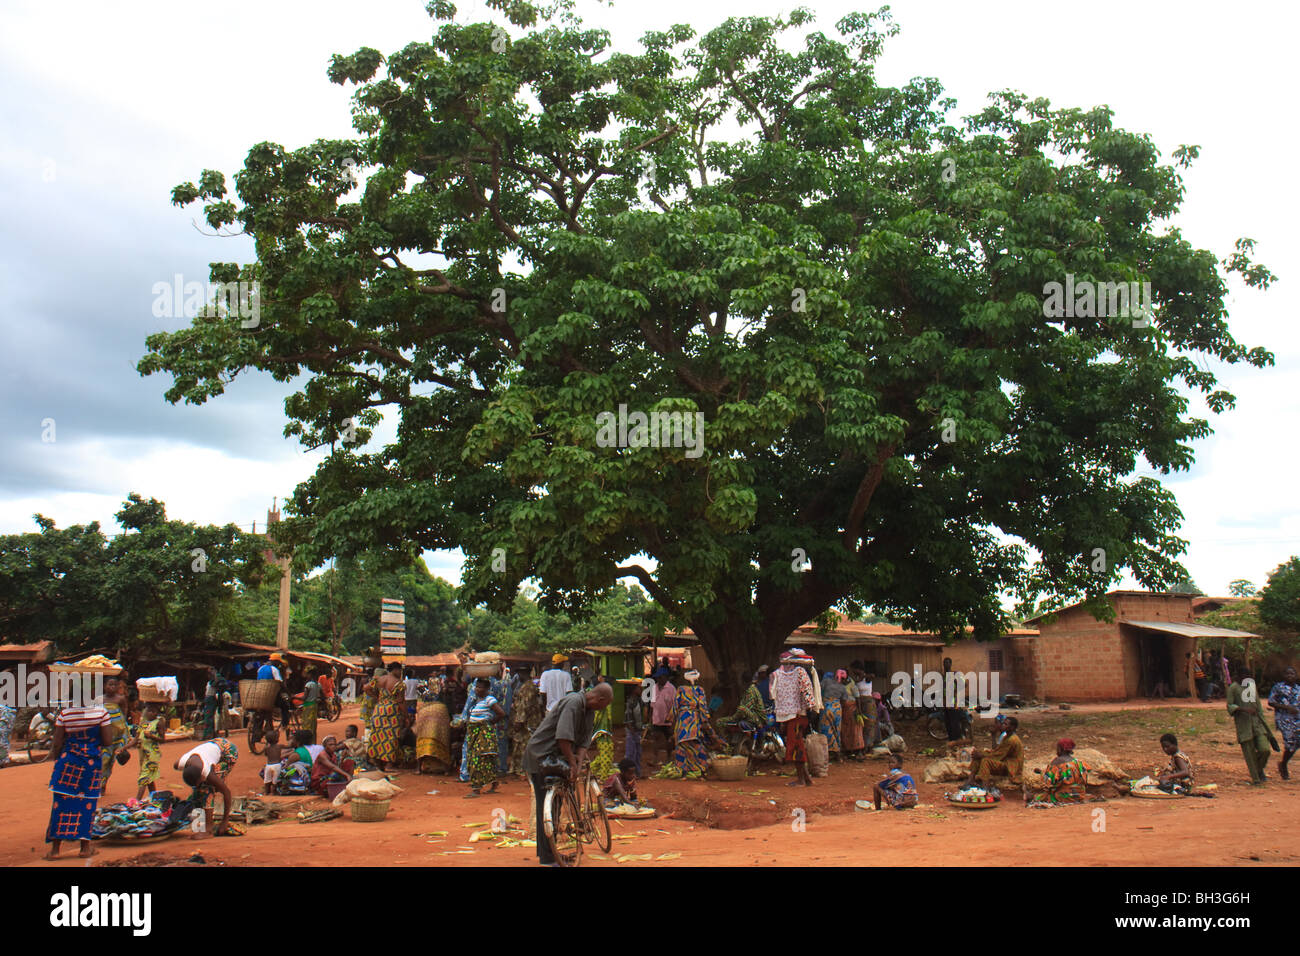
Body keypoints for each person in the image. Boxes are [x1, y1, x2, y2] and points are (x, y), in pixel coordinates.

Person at [523, 683, 613, 866]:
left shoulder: (589, 711)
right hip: (541, 756)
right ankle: (547, 858)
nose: (602, 709)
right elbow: (563, 738)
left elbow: (583, 743)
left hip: (557, 757)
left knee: (556, 806)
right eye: (603, 705)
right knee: (546, 808)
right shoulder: (573, 703)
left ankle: (550, 853)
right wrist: (572, 762)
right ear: (599, 699)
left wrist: (577, 764)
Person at [44, 700, 114, 859]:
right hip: (90, 764)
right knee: (87, 804)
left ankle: (55, 850)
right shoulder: (101, 713)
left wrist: (57, 762)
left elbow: (57, 743)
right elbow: (108, 741)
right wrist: (92, 741)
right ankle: (85, 848)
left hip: (68, 763)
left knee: (60, 804)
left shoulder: (65, 714)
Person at [770, 650, 817, 787]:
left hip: (797, 716)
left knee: (796, 748)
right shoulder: (784, 674)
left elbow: (807, 692)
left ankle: (801, 780)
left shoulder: (798, 673)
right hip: (795, 716)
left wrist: (810, 707)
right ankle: (806, 779)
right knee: (797, 745)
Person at [174, 737, 239, 836]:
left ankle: (208, 829)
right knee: (197, 790)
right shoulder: (180, 763)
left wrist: (225, 821)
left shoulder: (207, 771)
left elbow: (227, 792)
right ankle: (200, 824)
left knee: (207, 788)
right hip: (214, 744)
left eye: (199, 781)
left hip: (228, 752)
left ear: (201, 776)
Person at [1227, 672, 1277, 785]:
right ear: (1238, 677)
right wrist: (1243, 709)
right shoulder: (1233, 688)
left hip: (1257, 723)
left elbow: (1258, 706)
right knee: (1249, 753)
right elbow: (1229, 706)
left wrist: (1266, 727)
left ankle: (1259, 769)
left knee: (1265, 749)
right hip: (1243, 724)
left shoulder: (1251, 686)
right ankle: (1256, 779)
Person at [667, 670, 716, 779]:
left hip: (683, 721)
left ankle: (683, 773)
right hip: (694, 721)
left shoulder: (680, 689)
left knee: (682, 746)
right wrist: (705, 719)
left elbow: (675, 706)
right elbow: (702, 706)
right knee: (698, 746)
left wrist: (670, 719)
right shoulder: (700, 690)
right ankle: (702, 772)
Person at [465, 677, 506, 797]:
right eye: (476, 687)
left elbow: (501, 713)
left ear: (487, 689)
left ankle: (476, 789)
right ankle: (493, 783)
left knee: (477, 759)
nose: (477, 689)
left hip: (483, 733)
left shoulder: (489, 699)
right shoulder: (477, 701)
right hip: (475, 732)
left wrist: (489, 724)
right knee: (486, 759)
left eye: (480, 687)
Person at [962, 715, 1024, 790]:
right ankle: (971, 779)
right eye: (1003, 723)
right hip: (1004, 761)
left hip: (1010, 766)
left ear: (1012, 727)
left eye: (1005, 724)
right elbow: (996, 750)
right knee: (979, 755)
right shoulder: (1006, 737)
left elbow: (998, 756)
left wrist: (982, 755)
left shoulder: (1012, 740)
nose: (1002, 725)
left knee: (985, 761)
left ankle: (985, 786)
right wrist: (993, 736)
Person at [1025, 737, 1090, 807]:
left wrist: (1042, 774)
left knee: (1040, 796)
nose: (1056, 750)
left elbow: (1049, 783)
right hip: (1080, 795)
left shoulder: (1057, 762)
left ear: (1061, 749)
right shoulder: (1079, 763)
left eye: (1058, 748)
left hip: (1063, 797)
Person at [366, 662, 407, 772]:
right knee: (391, 737)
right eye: (400, 670)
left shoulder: (379, 679)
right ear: (396, 669)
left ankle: (377, 762)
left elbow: (366, 688)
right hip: (392, 712)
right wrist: (406, 716)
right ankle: (388, 764)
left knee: (377, 735)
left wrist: (376, 697)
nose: (400, 673)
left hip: (379, 710)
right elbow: (401, 701)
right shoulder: (399, 683)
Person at [508, 668, 545, 775]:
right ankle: (519, 768)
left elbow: (525, 705)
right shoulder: (528, 685)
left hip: (528, 722)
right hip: (529, 720)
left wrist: (519, 721)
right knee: (520, 744)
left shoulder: (528, 687)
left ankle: (524, 769)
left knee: (524, 745)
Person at [1267, 666, 1300, 780]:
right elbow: (1271, 702)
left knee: (1297, 743)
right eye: (1287, 674)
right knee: (1290, 742)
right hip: (1284, 719)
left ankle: (1283, 762)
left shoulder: (1298, 689)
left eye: (1292, 674)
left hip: (1297, 720)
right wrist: (1286, 707)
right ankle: (1284, 766)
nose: (1290, 676)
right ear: (1283, 676)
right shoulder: (1278, 687)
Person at [98, 676, 130, 790]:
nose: (112, 687)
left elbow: (124, 714)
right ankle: (98, 783)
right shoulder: (100, 699)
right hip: (104, 732)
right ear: (104, 686)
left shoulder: (120, 699)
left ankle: (103, 783)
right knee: (103, 758)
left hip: (118, 733)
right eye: (109, 685)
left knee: (111, 759)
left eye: (114, 685)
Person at [414, 687, 453, 774]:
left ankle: (418, 769)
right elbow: (447, 721)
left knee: (422, 747)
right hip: (439, 733)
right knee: (442, 747)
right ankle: (446, 770)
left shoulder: (423, 707)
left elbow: (418, 721)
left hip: (424, 732)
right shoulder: (443, 707)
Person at [134, 702, 164, 801]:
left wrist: (152, 736)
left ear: (157, 713)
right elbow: (135, 740)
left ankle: (137, 801)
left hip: (152, 754)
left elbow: (163, 739)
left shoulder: (159, 722)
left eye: (153, 711)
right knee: (149, 777)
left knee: (144, 776)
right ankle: (154, 797)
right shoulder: (143, 723)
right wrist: (123, 748)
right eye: (148, 710)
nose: (150, 713)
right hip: (142, 754)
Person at [819, 668, 848, 759]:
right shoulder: (843, 687)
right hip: (837, 709)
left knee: (826, 729)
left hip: (826, 707)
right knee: (836, 729)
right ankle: (837, 750)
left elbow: (819, 691)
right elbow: (844, 700)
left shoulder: (826, 681)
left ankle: (830, 750)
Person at [650, 667, 676, 767]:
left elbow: (674, 705)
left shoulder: (671, 689)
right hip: (656, 718)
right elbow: (652, 704)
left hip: (667, 719)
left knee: (669, 739)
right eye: (657, 678)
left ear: (665, 677)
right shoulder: (654, 687)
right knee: (655, 738)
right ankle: (655, 759)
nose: (658, 680)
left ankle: (669, 758)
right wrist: (650, 718)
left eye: (660, 677)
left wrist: (671, 719)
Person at [840, 668, 865, 760]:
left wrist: (859, 710)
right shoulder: (839, 684)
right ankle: (847, 750)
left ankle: (858, 750)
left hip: (852, 709)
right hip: (844, 709)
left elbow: (857, 697)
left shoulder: (852, 684)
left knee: (855, 729)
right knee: (845, 729)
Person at [623, 683, 644, 776]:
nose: (641, 689)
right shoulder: (630, 702)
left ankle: (637, 772)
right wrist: (632, 730)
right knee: (631, 753)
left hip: (637, 730)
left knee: (637, 752)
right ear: (634, 690)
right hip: (632, 731)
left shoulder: (638, 700)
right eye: (639, 688)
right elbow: (627, 719)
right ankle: (629, 774)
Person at [359, 666, 384, 738]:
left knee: (369, 723)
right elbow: (366, 688)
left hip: (368, 703)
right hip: (373, 704)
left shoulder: (368, 679)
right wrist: (376, 697)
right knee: (373, 723)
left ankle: (368, 738)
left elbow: (364, 688)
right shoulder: (375, 681)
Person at [300, 669, 321, 741]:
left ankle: (306, 741)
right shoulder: (318, 684)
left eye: (308, 674)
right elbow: (321, 696)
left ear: (311, 675)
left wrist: (294, 697)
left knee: (306, 725)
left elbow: (304, 697)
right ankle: (313, 741)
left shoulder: (308, 684)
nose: (307, 676)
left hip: (308, 706)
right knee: (313, 725)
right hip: (314, 706)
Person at [261, 729, 284, 794]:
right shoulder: (279, 746)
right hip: (277, 765)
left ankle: (266, 793)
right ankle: (274, 792)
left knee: (267, 781)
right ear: (276, 739)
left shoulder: (266, 748)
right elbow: (289, 746)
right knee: (275, 781)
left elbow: (266, 754)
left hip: (268, 765)